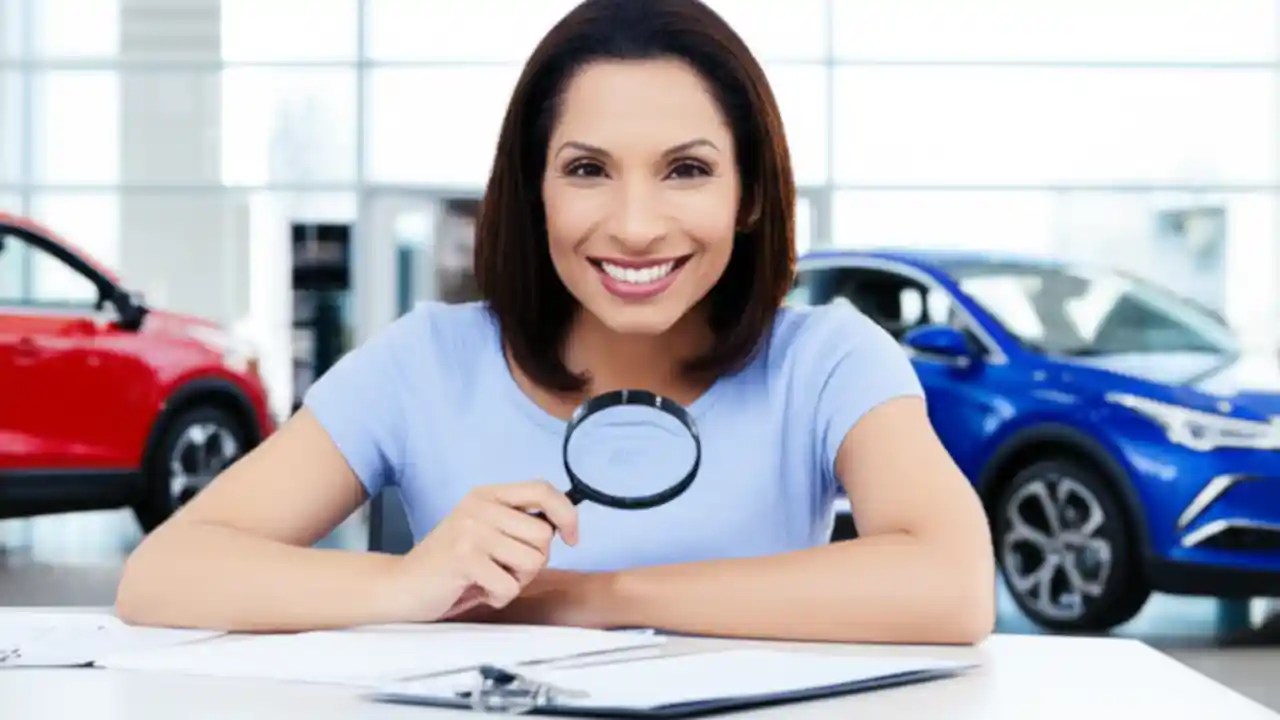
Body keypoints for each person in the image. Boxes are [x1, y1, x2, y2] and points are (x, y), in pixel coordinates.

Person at [115, 0, 995, 644]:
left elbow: (952, 587)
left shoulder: (830, 360)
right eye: (587, 170)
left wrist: (585, 593)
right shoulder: (426, 361)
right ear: (534, 191)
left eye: (686, 170)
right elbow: (165, 574)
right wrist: (411, 584)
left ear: (751, 193)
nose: (637, 223)